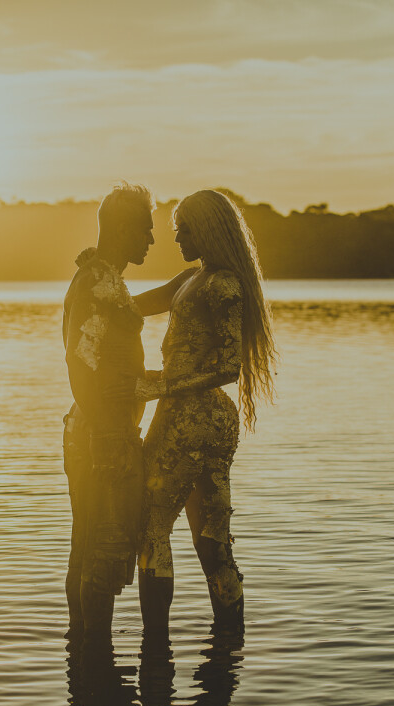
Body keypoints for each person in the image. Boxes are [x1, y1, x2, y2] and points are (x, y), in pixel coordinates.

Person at [133, 189, 277, 638]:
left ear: (208, 231)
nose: (177, 239)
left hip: (190, 419)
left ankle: (156, 647)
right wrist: (97, 280)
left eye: (185, 230)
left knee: (152, 528)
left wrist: (161, 387)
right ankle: (229, 643)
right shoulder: (192, 278)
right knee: (211, 540)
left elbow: (229, 368)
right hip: (208, 419)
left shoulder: (223, 285)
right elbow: (138, 306)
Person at [63, 183, 195, 646]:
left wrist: (180, 284)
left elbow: (133, 310)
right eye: (145, 229)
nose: (152, 240)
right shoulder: (96, 281)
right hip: (102, 433)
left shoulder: (102, 278)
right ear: (122, 229)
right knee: (104, 548)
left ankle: (84, 655)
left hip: (94, 428)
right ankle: (94, 654)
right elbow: (80, 362)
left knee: (88, 545)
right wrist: (108, 435)